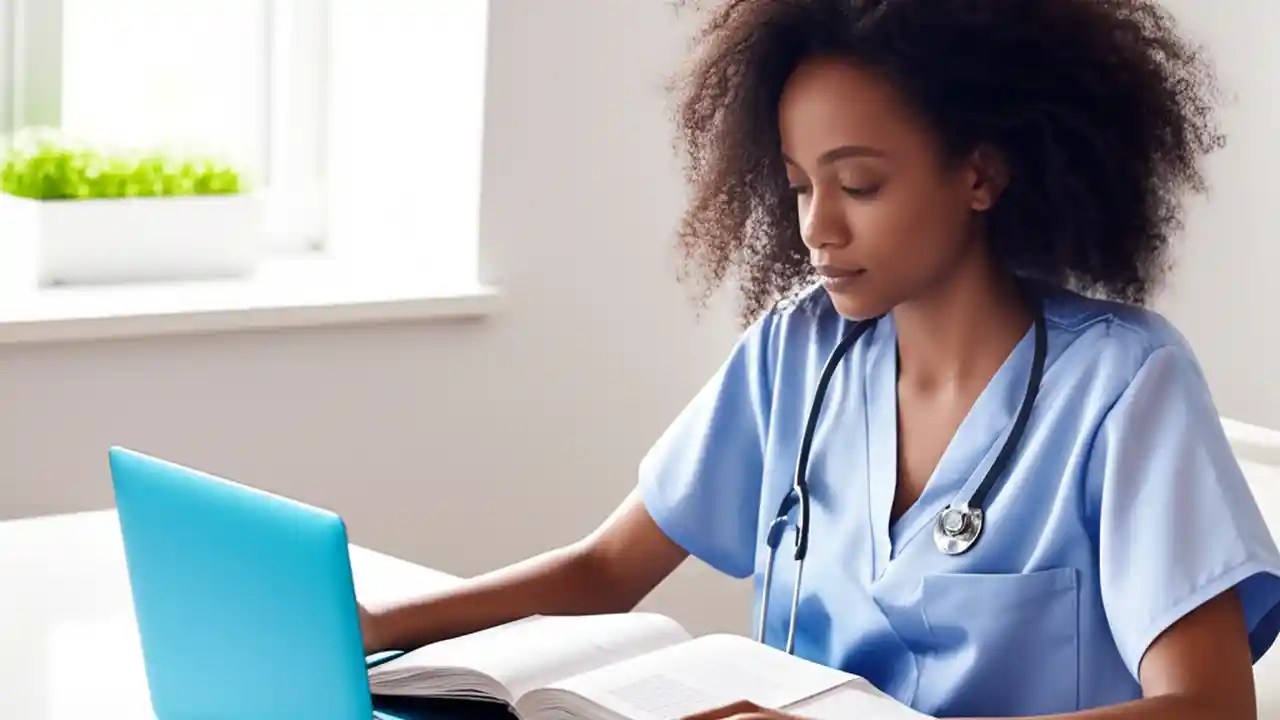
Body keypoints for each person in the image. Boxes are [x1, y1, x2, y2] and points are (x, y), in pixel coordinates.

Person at [361, 1, 1280, 717]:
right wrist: (369, 626)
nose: (816, 228)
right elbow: (605, 570)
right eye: (800, 186)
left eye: (859, 185)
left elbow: (1207, 708)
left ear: (981, 174)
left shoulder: (1124, 386)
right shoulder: (794, 353)